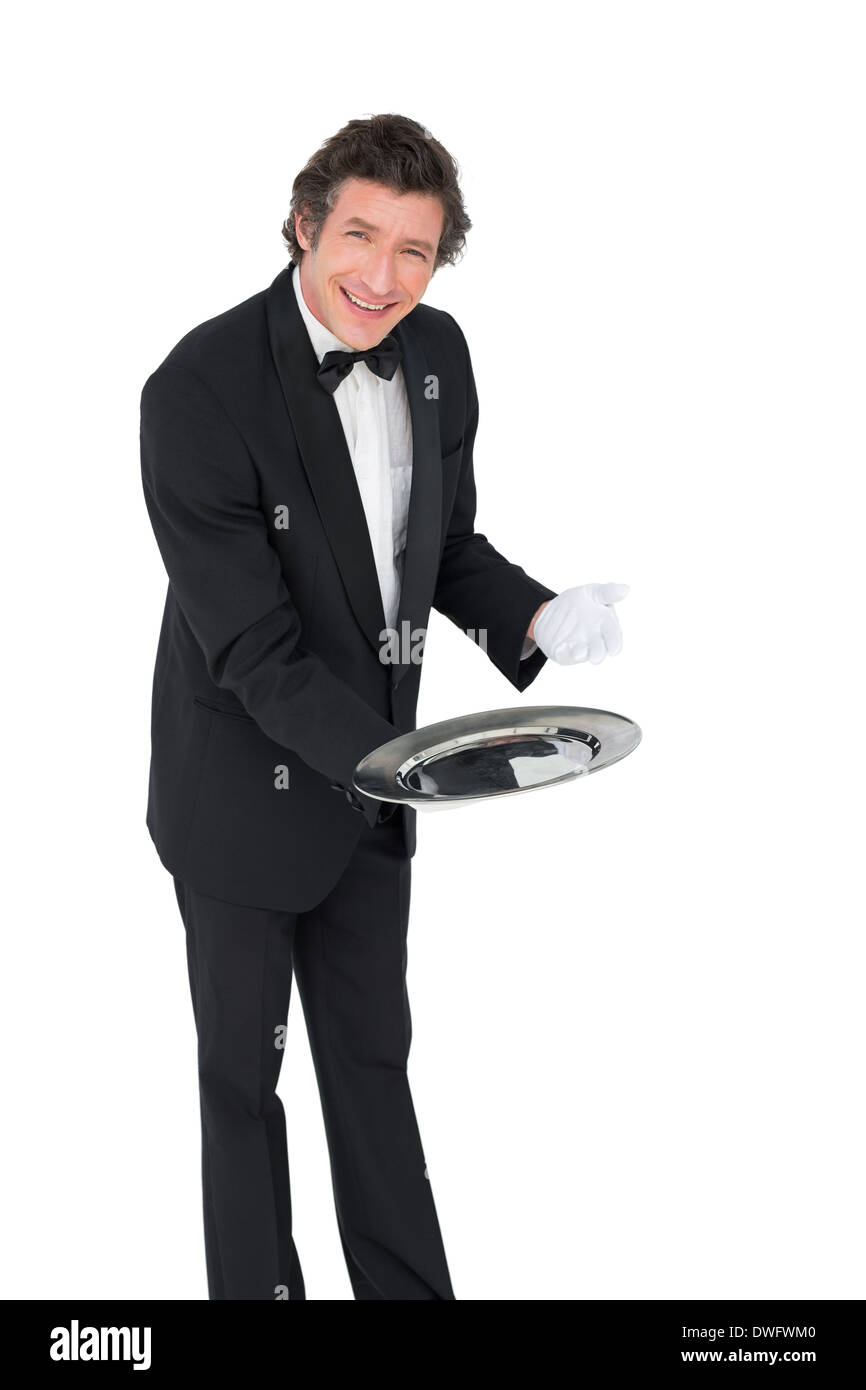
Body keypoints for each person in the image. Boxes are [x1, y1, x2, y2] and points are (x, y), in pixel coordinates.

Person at [139, 112, 628, 1301]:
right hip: (243, 796)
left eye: (414, 249)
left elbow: (438, 545)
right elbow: (252, 649)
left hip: (372, 799)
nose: (381, 276)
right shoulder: (197, 388)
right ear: (304, 225)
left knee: (371, 1064)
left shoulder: (438, 353)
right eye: (359, 235)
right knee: (242, 1090)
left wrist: (528, 616)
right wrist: (405, 760)